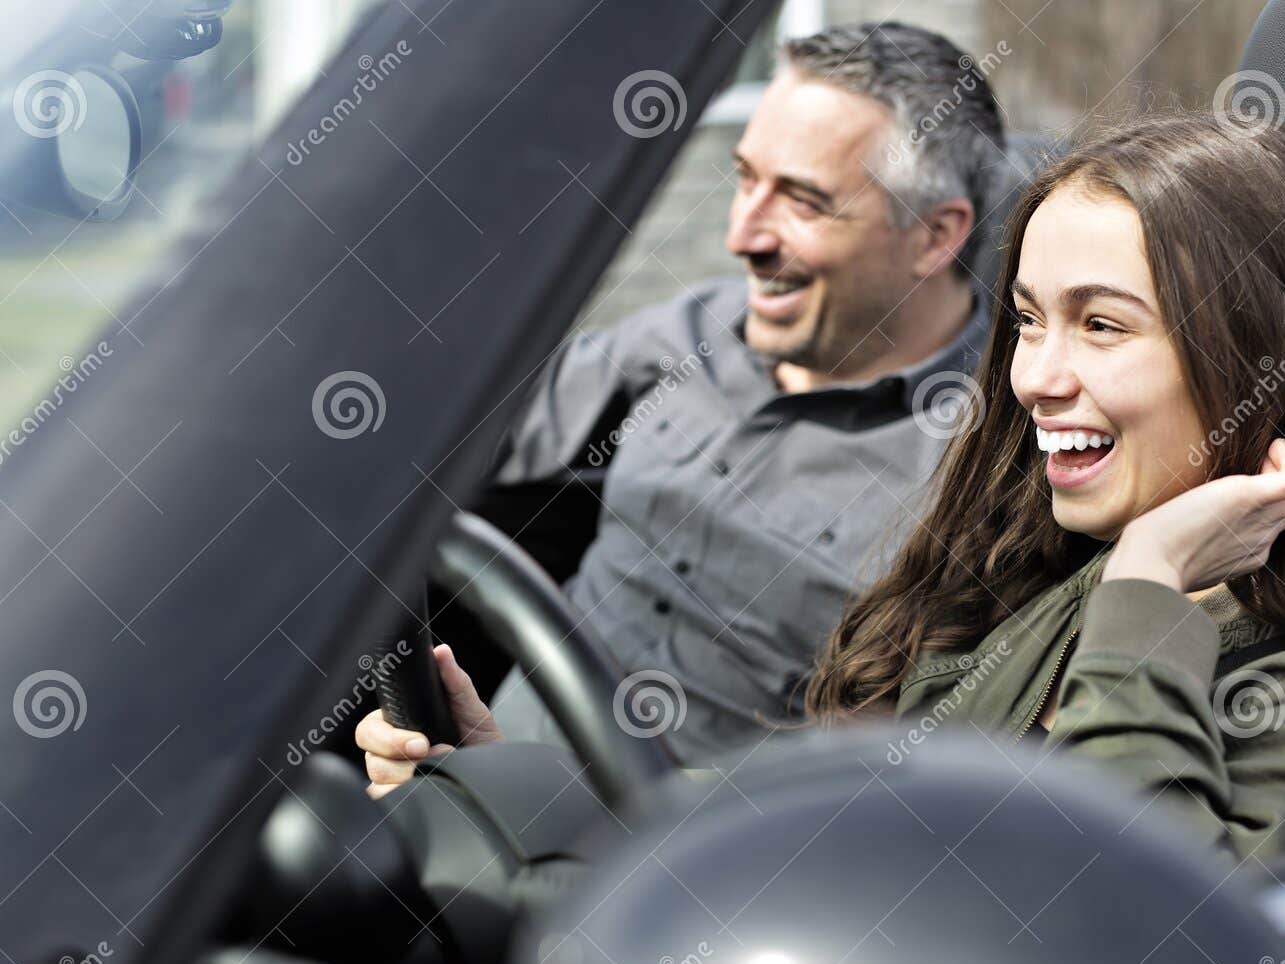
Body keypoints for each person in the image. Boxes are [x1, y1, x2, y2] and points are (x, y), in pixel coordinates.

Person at [805, 111, 1285, 861]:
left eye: (1102, 325)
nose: (1033, 378)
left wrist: (1147, 582)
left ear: (1279, 358)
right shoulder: (1031, 581)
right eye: (1027, 319)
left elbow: (1148, 944)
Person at [358, 22, 1008, 793]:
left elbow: (897, 804)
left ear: (935, 237)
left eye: (803, 201)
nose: (743, 235)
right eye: (745, 178)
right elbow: (465, 434)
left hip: (688, 883)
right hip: (475, 784)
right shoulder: (690, 331)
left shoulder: (981, 472)